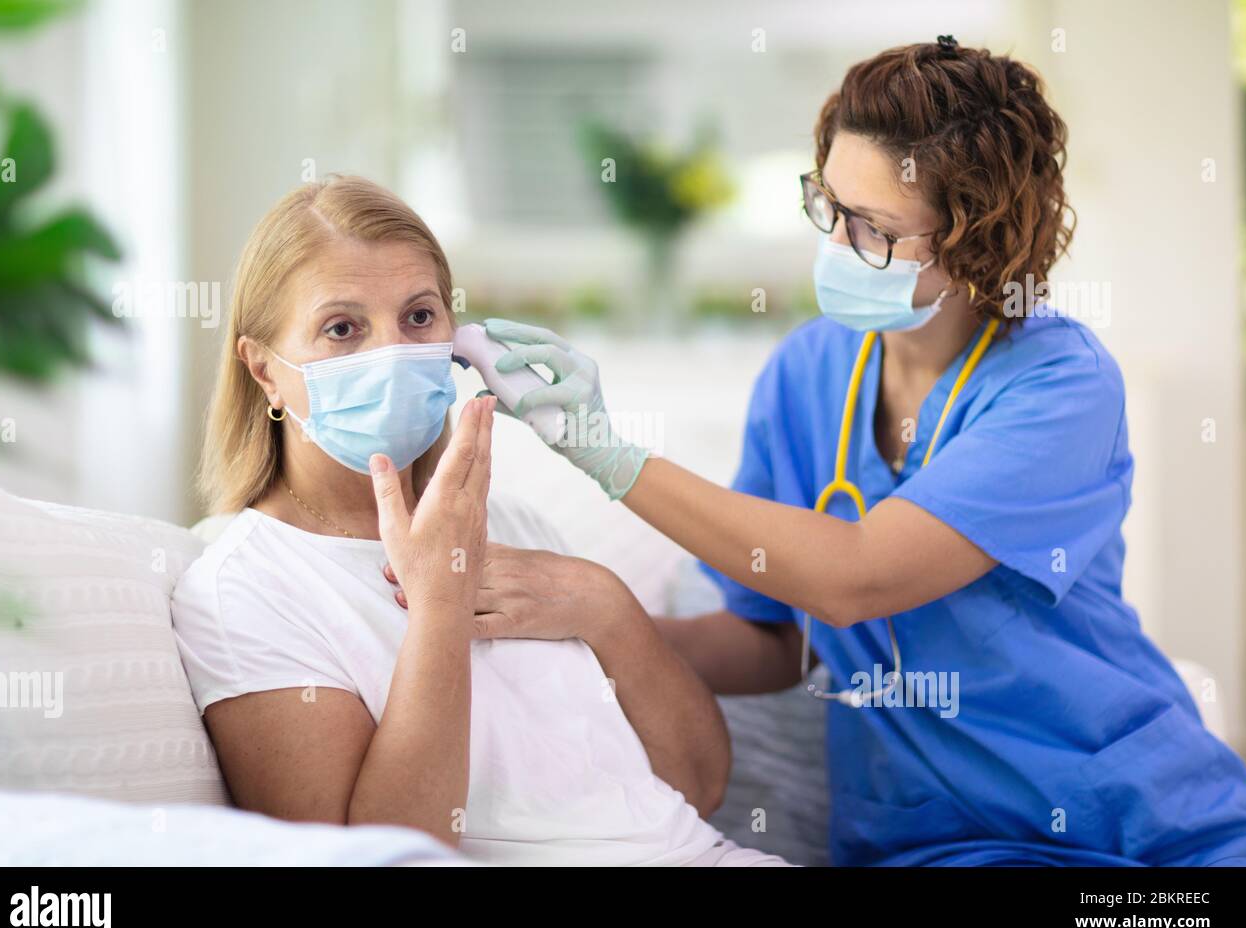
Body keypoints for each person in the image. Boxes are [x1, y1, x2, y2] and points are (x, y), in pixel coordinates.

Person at [481, 37, 1246, 866]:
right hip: (926, 845)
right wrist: (595, 624)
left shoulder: (1060, 387)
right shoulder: (805, 374)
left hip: (1144, 836)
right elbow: (776, 643)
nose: (838, 246)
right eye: (830, 206)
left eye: (875, 230)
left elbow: (857, 578)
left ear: (975, 241)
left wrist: (607, 455)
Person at [170, 175, 787, 866]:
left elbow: (699, 787)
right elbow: (379, 858)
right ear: (263, 371)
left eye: (418, 317)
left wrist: (603, 605)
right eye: (342, 328)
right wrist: (438, 608)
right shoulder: (246, 590)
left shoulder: (517, 525)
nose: (392, 353)